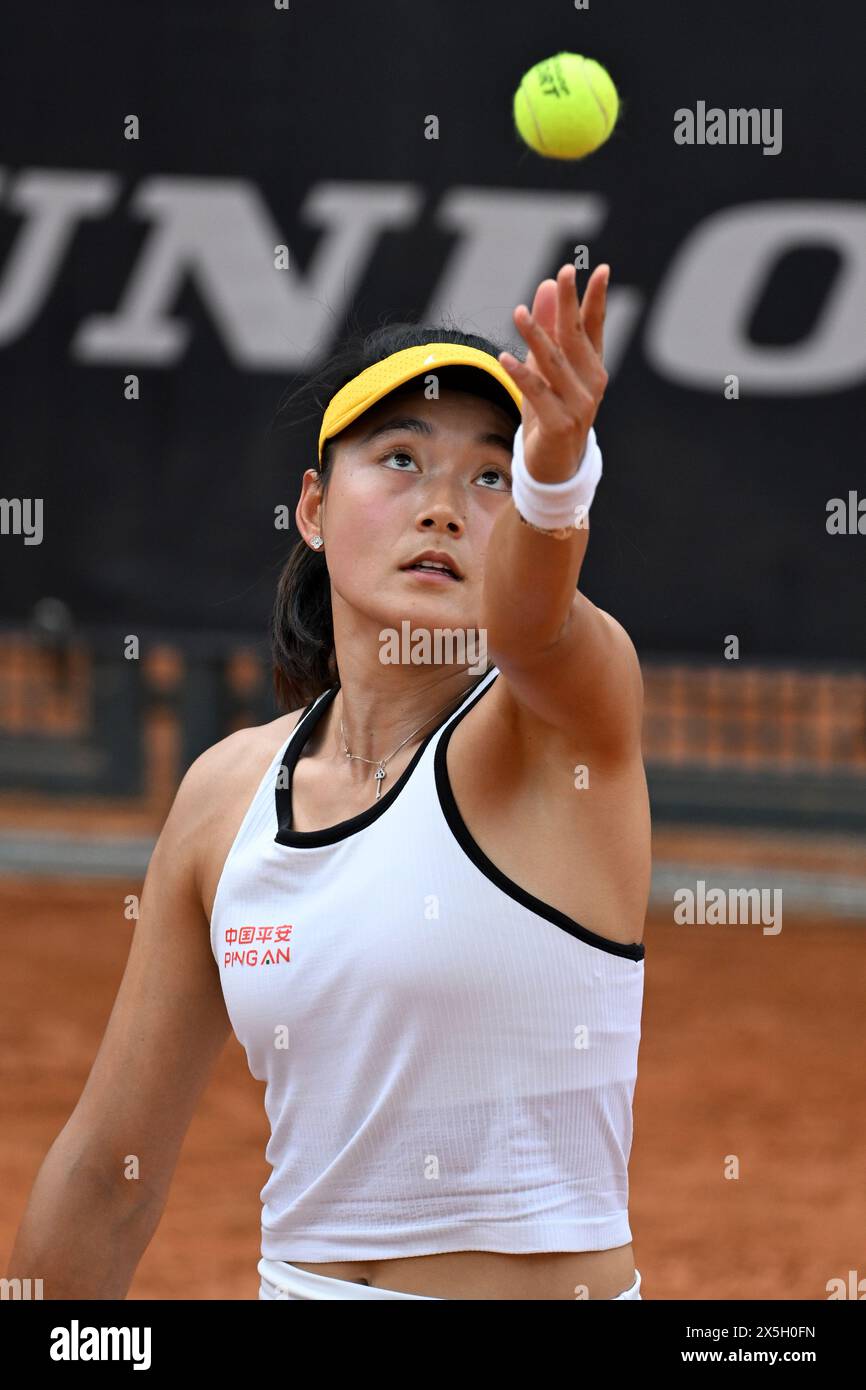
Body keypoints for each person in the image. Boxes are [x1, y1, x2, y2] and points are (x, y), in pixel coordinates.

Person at [7, 263, 649, 1301]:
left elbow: (531, 622)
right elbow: (107, 1170)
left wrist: (556, 478)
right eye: (399, 459)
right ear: (312, 507)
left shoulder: (562, 724)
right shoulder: (225, 796)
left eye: (490, 477)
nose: (443, 508)